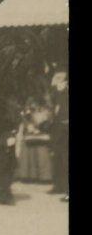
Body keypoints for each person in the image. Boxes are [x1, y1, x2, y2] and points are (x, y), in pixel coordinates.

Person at [49, 69, 69, 199]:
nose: (55, 80)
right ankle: (58, 186)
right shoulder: (56, 92)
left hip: (66, 127)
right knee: (57, 157)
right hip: (57, 129)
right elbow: (54, 108)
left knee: (66, 159)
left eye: (58, 78)